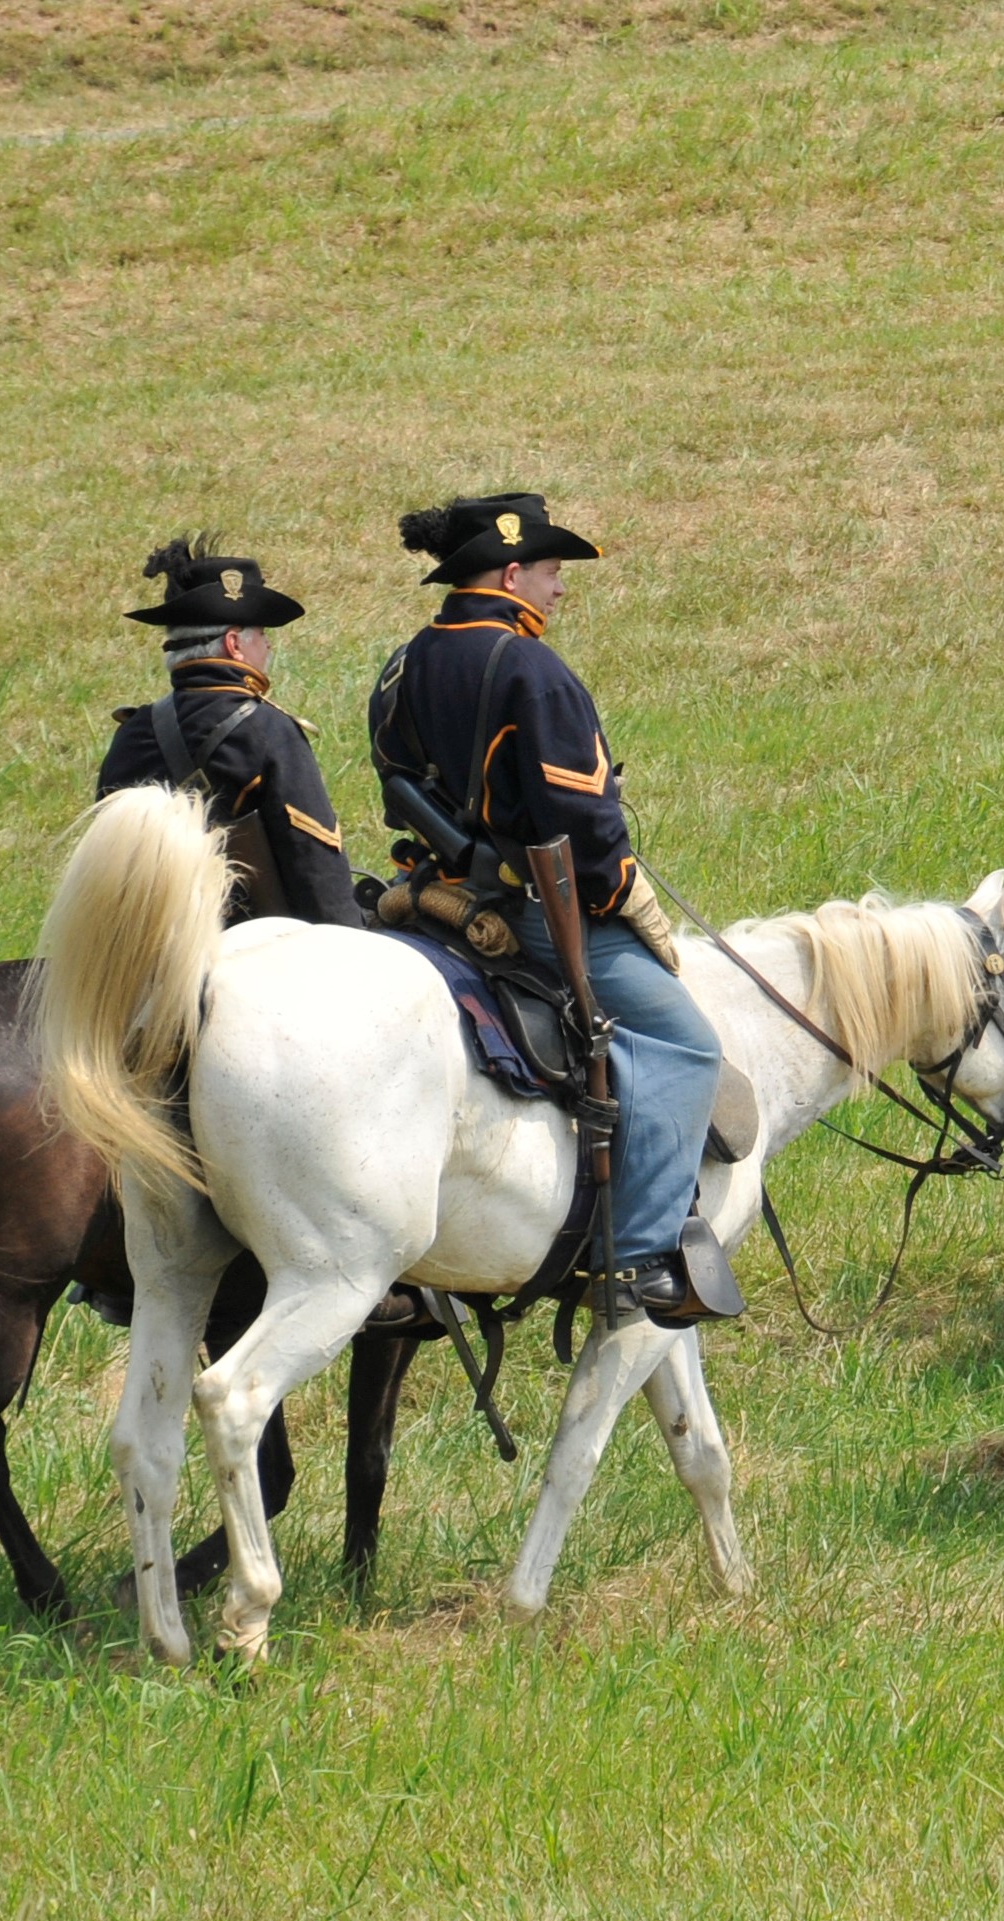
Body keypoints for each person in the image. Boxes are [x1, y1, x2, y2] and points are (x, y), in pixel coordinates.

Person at [368, 493, 727, 1322]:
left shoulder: (403, 663)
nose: (560, 588)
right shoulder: (532, 669)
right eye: (552, 570)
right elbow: (578, 822)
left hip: (438, 898)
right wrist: (622, 890)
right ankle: (637, 1259)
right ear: (510, 570)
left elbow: (396, 781)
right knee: (687, 1046)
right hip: (531, 907)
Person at [95, 536, 365, 930]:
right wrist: (350, 945)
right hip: (248, 945)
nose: (269, 645)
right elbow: (314, 862)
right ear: (234, 643)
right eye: (261, 634)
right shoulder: (268, 730)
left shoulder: (133, 732)